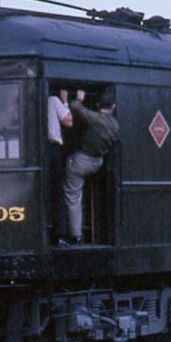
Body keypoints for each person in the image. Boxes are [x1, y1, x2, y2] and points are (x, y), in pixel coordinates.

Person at [62, 89, 119, 245]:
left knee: (73, 196)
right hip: (97, 162)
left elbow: (75, 107)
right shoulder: (114, 124)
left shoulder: (94, 118)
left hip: (81, 161)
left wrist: (80, 97)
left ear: (98, 105)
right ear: (113, 107)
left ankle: (75, 235)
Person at [47, 87, 76, 238]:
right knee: (58, 191)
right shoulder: (53, 100)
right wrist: (65, 102)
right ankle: (60, 233)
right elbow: (68, 122)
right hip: (52, 148)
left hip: (41, 149)